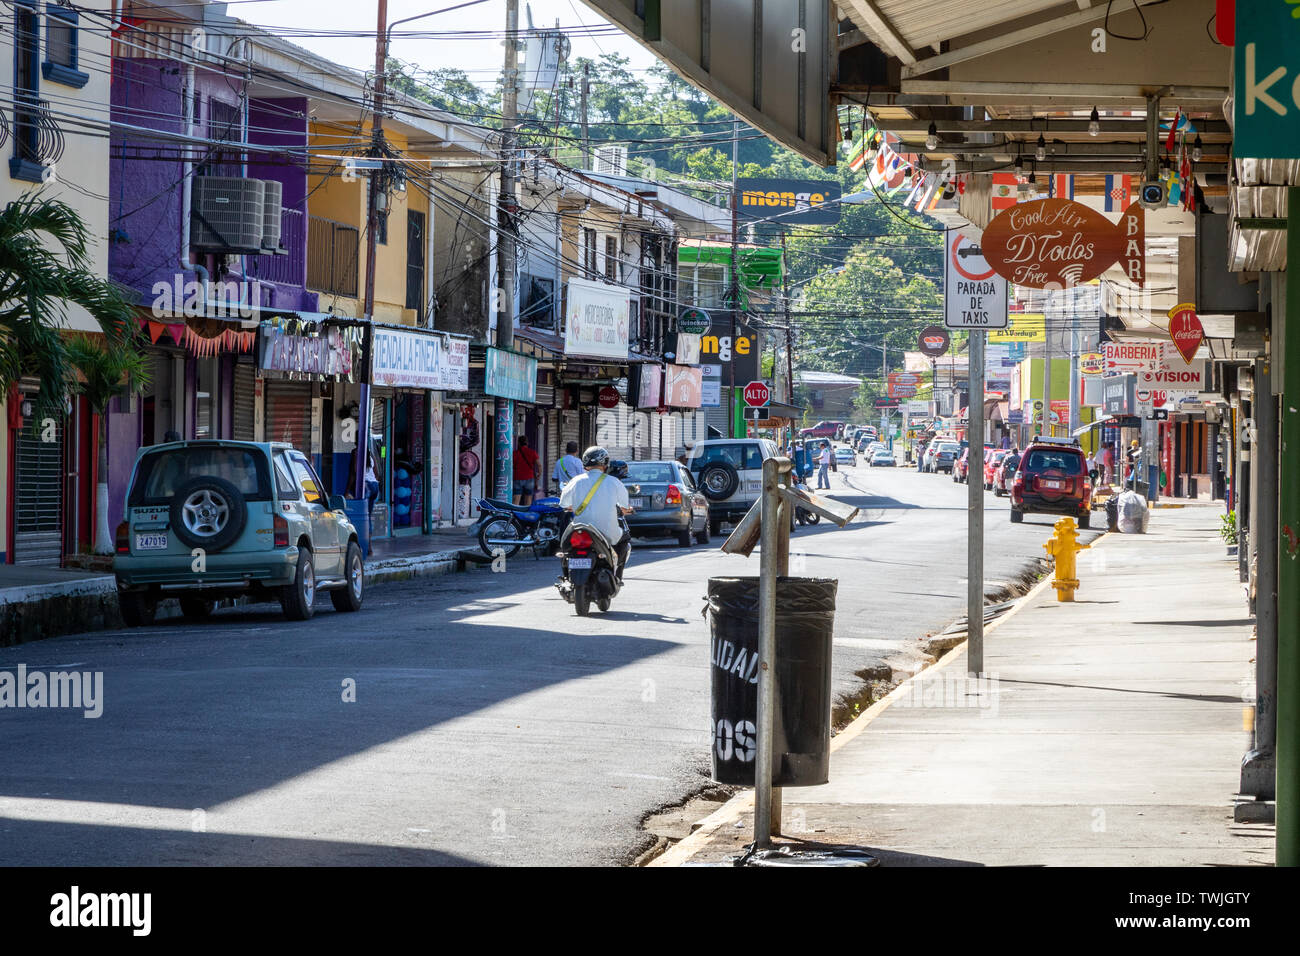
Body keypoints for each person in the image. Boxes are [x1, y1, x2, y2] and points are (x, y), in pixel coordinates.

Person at [560, 446, 633, 579]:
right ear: (605, 463)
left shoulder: (575, 481)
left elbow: (564, 503)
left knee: (565, 549)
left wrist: (573, 506)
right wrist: (626, 509)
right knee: (625, 539)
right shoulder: (614, 482)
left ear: (585, 463)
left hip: (579, 530)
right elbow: (624, 506)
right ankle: (617, 575)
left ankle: (566, 576)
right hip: (607, 532)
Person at [513, 435, 540, 505]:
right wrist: (538, 476)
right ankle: (527, 515)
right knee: (528, 499)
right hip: (529, 478)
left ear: (518, 443)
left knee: (516, 499)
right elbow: (539, 465)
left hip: (517, 478)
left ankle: (514, 514)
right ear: (527, 443)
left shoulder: (514, 454)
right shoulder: (532, 452)